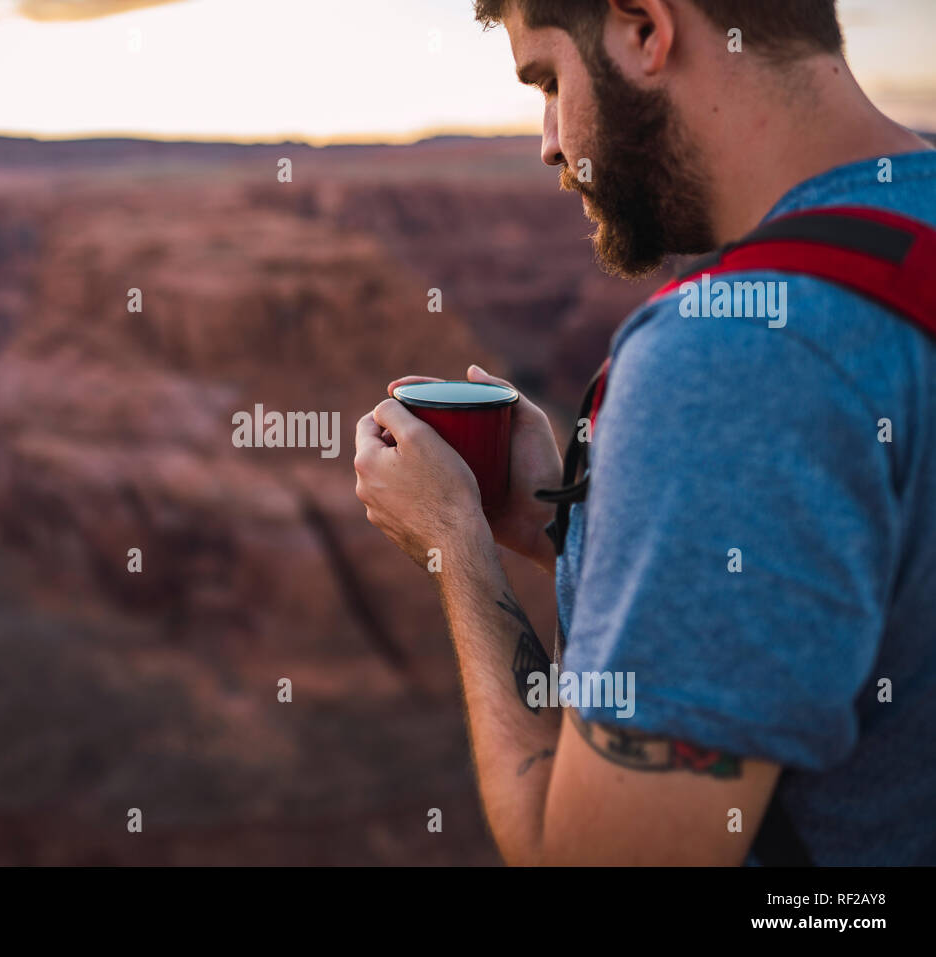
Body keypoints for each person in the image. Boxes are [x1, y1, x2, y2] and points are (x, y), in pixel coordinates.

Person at [354, 0, 935, 865]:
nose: (549, 141)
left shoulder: (730, 358)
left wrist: (457, 548)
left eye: (549, 78)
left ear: (643, 28)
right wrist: (573, 530)